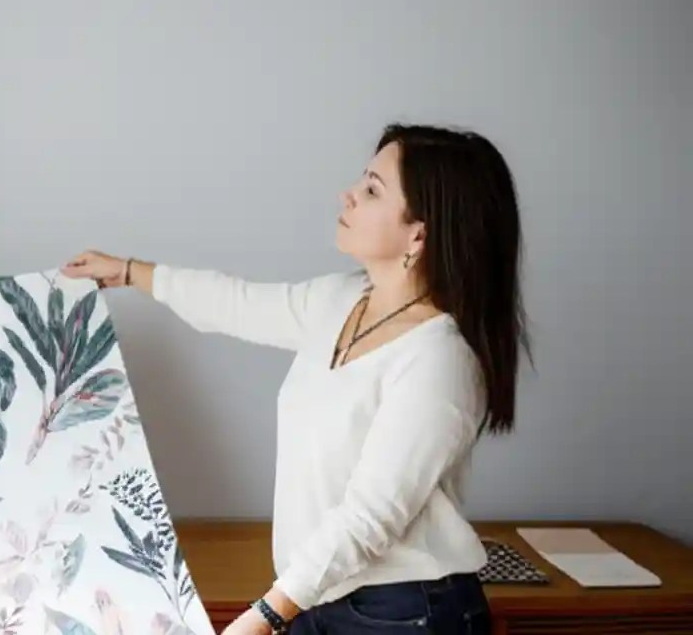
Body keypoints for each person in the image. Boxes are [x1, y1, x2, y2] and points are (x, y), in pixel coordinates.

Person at [61, 123, 529, 634]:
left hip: (404, 613)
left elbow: (370, 517)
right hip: (320, 595)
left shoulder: (439, 361)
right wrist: (128, 271)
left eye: (372, 189)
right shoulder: (342, 301)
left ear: (419, 232)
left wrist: (264, 615)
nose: (348, 194)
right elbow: (234, 303)